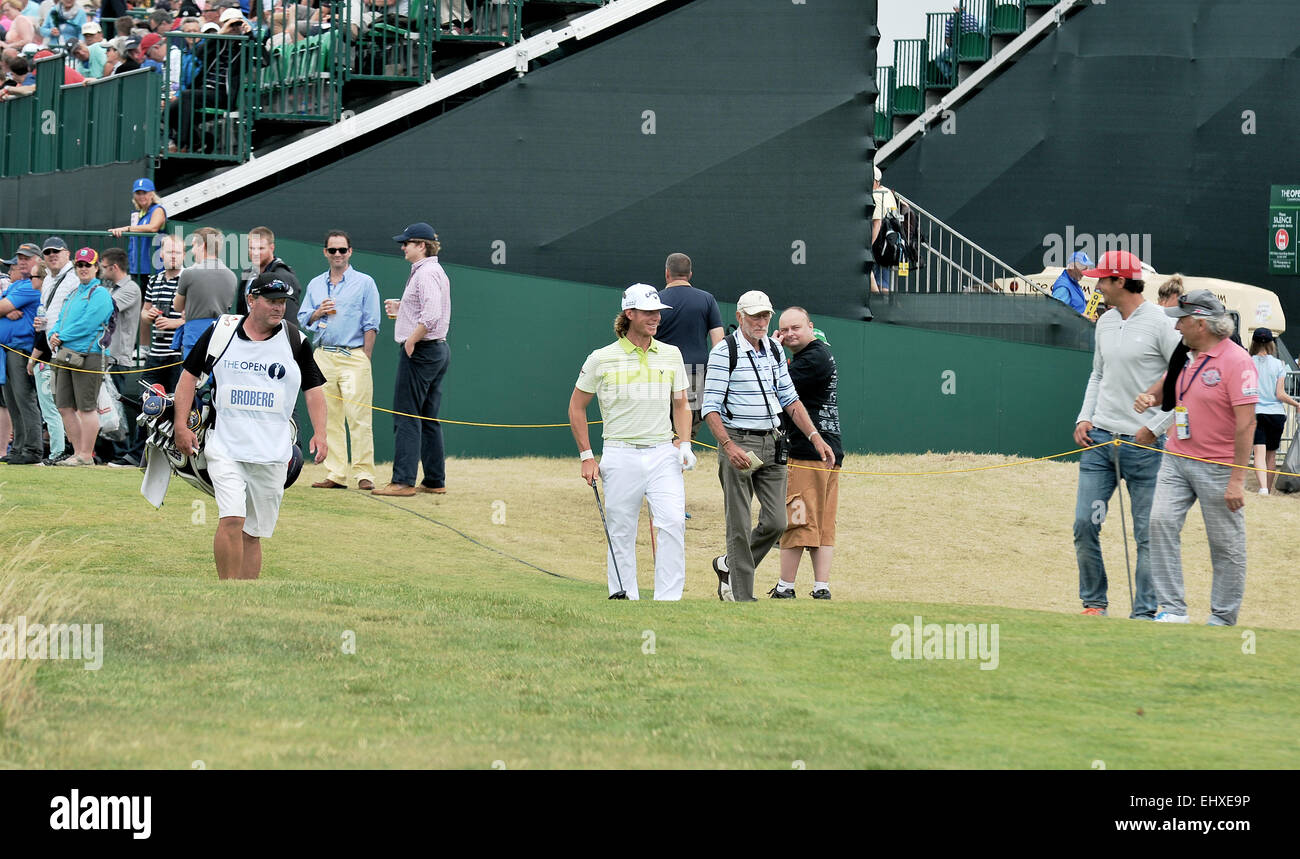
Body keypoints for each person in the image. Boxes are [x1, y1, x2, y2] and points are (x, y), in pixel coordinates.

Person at [172, 274, 327, 580]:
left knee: (253, 532)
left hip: (272, 453)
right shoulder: (222, 332)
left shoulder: (296, 341)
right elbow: (188, 377)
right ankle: (226, 592)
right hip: (225, 446)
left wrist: (321, 434)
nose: (279, 308)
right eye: (271, 300)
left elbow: (314, 389)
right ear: (251, 300)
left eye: (283, 302)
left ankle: (245, 600)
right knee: (231, 519)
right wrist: (181, 424)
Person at [701, 290, 835, 602]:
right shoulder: (724, 352)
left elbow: (789, 399)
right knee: (738, 522)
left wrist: (816, 437)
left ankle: (728, 565)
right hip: (739, 441)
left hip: (773, 441)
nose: (761, 321)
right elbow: (710, 407)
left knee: (777, 522)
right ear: (739, 317)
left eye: (765, 315)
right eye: (754, 315)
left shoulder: (774, 349)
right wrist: (727, 445)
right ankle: (741, 597)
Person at [1071, 250, 1181, 618]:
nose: (1097, 285)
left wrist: (1156, 427)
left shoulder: (1163, 324)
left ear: (1121, 282)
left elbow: (1184, 380)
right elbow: (1097, 374)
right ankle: (1094, 604)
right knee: (1085, 524)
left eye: (1103, 280)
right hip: (1099, 442)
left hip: (1146, 447)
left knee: (1146, 536)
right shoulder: (1104, 321)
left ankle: (1145, 613)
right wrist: (1084, 417)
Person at [1137, 290, 1257, 626]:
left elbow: (1247, 423)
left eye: (1182, 320)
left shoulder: (1237, 362)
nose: (1177, 327)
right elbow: (1171, 383)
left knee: (1225, 545)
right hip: (1177, 457)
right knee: (1160, 522)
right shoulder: (1188, 353)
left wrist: (1237, 479)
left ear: (1201, 324)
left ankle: (1222, 617)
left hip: (1219, 467)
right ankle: (1173, 610)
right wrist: (1152, 395)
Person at [568, 283, 695, 600]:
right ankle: (625, 596)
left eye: (658, 312)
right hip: (620, 454)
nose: (656, 318)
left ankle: (668, 599)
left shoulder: (671, 354)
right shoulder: (601, 358)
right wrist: (587, 456)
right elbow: (576, 406)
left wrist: (685, 443)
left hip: (663, 453)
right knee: (621, 530)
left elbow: (681, 403)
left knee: (671, 523)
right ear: (630, 314)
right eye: (649, 312)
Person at [297, 229, 381, 491]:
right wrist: (318, 312)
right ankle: (336, 473)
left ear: (350, 252)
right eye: (332, 250)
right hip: (323, 355)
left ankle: (364, 473)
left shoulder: (365, 282)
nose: (337, 254)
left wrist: (365, 356)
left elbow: (372, 322)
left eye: (342, 250)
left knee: (358, 416)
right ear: (325, 252)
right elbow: (302, 319)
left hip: (353, 354)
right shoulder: (315, 284)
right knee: (329, 417)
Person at [373, 222, 451, 497]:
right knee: (428, 417)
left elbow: (430, 317)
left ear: (421, 245)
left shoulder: (425, 273)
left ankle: (403, 481)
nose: (402, 247)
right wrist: (402, 308)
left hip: (422, 351)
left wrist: (411, 340)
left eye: (406, 243)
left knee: (406, 415)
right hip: (436, 350)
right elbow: (427, 310)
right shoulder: (433, 270)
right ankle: (434, 480)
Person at [771, 306, 843, 599]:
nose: (789, 334)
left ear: (810, 327)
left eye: (795, 328)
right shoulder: (817, 355)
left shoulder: (813, 357)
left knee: (797, 518)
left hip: (808, 452)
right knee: (824, 524)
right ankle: (821, 587)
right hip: (830, 451)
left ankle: (786, 587)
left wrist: (773, 350)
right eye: (784, 330)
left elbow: (775, 384)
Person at [48, 247, 114, 467]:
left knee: (86, 407)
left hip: (88, 354)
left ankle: (86, 454)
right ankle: (77, 453)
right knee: (64, 406)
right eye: (80, 265)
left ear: (96, 268)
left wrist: (61, 336)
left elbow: (89, 323)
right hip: (65, 353)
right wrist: (53, 334)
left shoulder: (101, 293)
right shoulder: (73, 293)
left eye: (88, 265)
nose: (84, 269)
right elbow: (60, 318)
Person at [653, 252, 723, 437]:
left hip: (660, 375)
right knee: (685, 434)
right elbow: (719, 343)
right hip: (695, 375)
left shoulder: (654, 301)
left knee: (659, 431)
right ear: (690, 274)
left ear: (667, 273)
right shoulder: (707, 299)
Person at [93, 247, 142, 467]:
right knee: (104, 406)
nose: (100, 271)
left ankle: (122, 452)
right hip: (103, 356)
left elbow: (104, 309)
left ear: (114, 267)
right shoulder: (108, 287)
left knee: (118, 407)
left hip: (118, 358)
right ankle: (106, 452)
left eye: (103, 267)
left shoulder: (130, 288)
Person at [31, 237, 75, 463]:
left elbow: (77, 314)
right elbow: (48, 317)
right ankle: (71, 452)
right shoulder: (48, 281)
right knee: (61, 406)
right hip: (52, 350)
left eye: (56, 251)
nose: (52, 255)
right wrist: (43, 325)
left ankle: (65, 452)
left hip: (68, 350)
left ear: (67, 253)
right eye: (47, 253)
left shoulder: (74, 278)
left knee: (63, 407)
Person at [0, 244, 41, 464]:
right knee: (12, 401)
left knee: (23, 399)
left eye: (26, 258)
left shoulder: (30, 286)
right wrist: (6, 311)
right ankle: (17, 448)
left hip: (20, 347)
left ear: (37, 260)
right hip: (7, 349)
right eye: (19, 258)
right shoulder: (17, 286)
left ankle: (32, 449)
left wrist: (4, 310)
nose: (21, 262)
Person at [1247, 327, 1298, 496]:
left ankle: (1262, 489)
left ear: (1253, 342)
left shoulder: (1247, 362)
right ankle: (1267, 489)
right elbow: (1280, 394)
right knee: (1271, 455)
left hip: (1256, 412)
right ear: (1271, 343)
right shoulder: (1279, 364)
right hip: (1276, 414)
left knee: (1259, 453)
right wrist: (1296, 404)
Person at [173, 226, 237, 357]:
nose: (193, 251)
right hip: (220, 338)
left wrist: (189, 309)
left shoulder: (189, 273)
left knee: (191, 377)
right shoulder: (232, 276)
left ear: (203, 246)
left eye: (194, 246)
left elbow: (178, 306)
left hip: (194, 338)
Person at [237, 226, 300, 321]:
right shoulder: (247, 274)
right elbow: (241, 312)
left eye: (260, 248)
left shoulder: (284, 276)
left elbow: (288, 319)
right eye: (251, 248)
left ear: (272, 247)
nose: (255, 253)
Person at [870, 165, 900, 293]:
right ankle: (886, 305)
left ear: (874, 181)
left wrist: (871, 246)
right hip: (891, 242)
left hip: (880, 242)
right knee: (884, 282)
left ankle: (880, 302)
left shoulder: (876, 196)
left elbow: (877, 223)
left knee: (868, 272)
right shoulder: (888, 192)